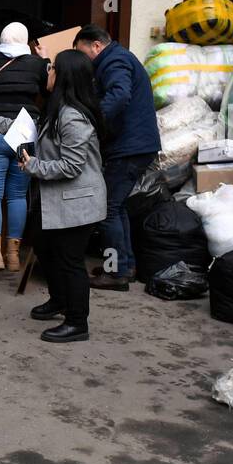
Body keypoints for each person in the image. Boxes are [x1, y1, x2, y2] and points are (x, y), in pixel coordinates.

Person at [0, 48, 106, 341]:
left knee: (71, 260)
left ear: (63, 77)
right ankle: (60, 300)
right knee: (46, 247)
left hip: (78, 202)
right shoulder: (58, 108)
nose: (47, 72)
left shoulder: (73, 116)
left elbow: (72, 166)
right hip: (61, 200)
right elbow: (30, 132)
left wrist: (32, 165)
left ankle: (77, 323)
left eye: (51, 69)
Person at [73, 24, 160, 291]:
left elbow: (119, 95)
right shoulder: (117, 58)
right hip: (134, 146)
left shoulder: (115, 60)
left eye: (82, 52)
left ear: (96, 46)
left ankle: (117, 272)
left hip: (129, 148)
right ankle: (124, 266)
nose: (82, 59)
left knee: (106, 207)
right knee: (117, 207)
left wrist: (90, 122)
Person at [0, 21, 48, 275]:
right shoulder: (38, 65)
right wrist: (45, 59)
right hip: (24, 136)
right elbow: (48, 92)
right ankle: (14, 255)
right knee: (17, 195)